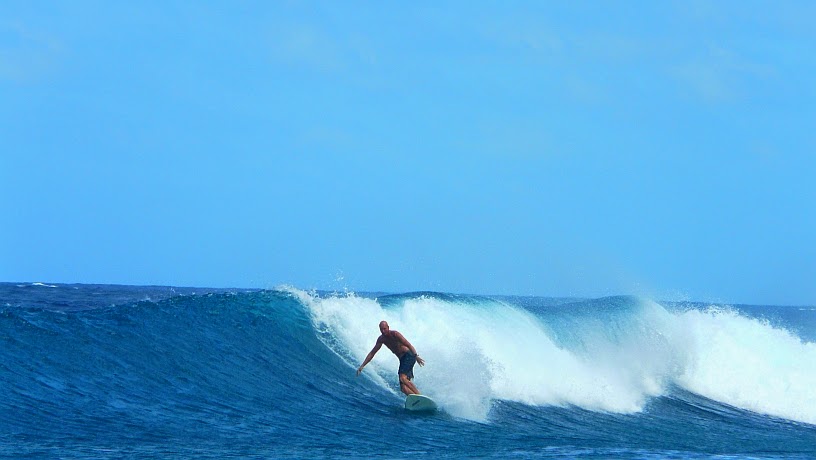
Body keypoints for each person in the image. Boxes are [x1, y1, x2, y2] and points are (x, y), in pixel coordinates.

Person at [356, 320, 425, 395]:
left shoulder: (395, 334)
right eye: (381, 329)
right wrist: (362, 366)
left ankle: (419, 394)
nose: (383, 331)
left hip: (408, 356)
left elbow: (409, 345)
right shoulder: (381, 339)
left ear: (388, 327)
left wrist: (416, 356)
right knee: (403, 388)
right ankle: (417, 399)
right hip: (402, 360)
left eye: (384, 329)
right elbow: (372, 353)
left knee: (402, 378)